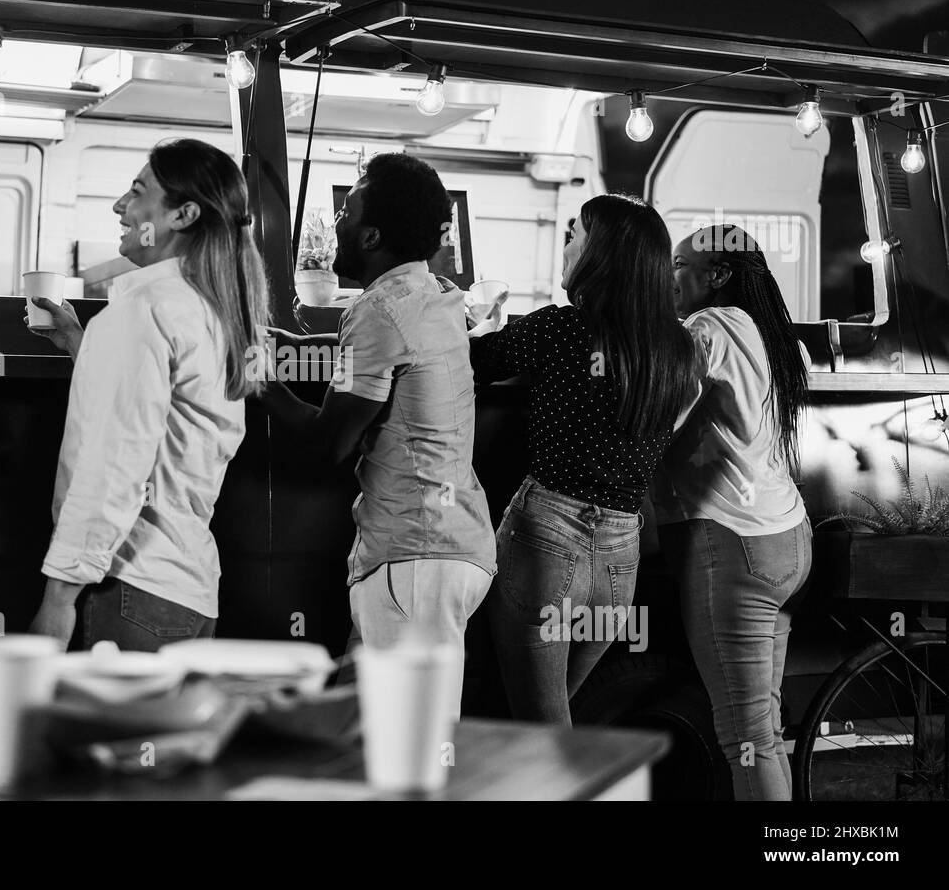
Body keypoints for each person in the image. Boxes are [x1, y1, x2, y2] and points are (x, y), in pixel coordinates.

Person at [261, 153, 496, 717]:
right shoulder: (436, 293)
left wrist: (257, 382)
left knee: (416, 746)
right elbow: (381, 360)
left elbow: (329, 444)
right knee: (355, 733)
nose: (336, 220)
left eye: (346, 209)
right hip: (446, 547)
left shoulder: (378, 311)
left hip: (416, 558)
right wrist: (292, 347)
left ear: (369, 235)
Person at [27, 139, 270, 650]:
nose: (121, 207)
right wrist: (83, 344)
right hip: (187, 593)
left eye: (137, 192)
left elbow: (115, 468)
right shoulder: (214, 310)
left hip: (128, 587)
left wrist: (57, 600)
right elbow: (163, 424)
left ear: (182, 215)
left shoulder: (145, 310)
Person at [470, 193, 698, 725]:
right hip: (620, 560)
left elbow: (469, 362)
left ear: (601, 254)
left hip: (545, 540)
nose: (564, 243)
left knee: (542, 732)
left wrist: (472, 318)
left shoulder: (560, 328)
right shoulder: (680, 351)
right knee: (554, 723)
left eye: (574, 234)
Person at [655, 224, 812, 800]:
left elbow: (658, 424)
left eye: (679, 265)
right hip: (788, 539)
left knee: (746, 739)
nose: (669, 277)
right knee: (765, 732)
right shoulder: (782, 338)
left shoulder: (706, 328)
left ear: (716, 276)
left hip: (733, 547)